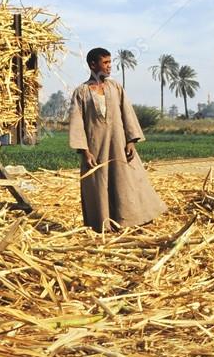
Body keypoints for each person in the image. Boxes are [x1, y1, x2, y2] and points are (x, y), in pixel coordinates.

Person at [68, 48, 167, 232]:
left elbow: (127, 114)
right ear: (92, 65)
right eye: (105, 63)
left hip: (118, 146)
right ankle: (104, 226)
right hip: (96, 150)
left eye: (110, 62)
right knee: (99, 186)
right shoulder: (80, 92)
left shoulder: (116, 88)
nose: (109, 67)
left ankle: (133, 219)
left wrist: (131, 141)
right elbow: (77, 124)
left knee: (127, 181)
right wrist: (85, 151)